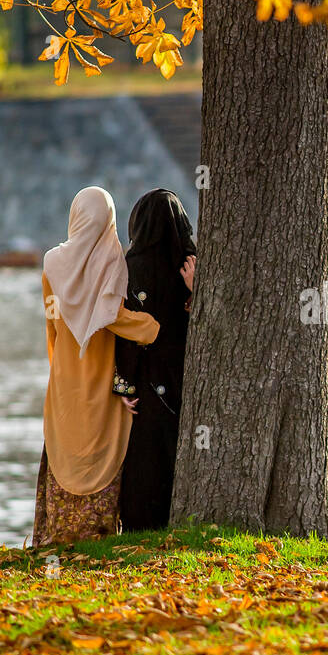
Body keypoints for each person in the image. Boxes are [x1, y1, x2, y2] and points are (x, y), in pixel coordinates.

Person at [34, 185, 160, 546]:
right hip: (103, 378)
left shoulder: (53, 263)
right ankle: (98, 533)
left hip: (65, 380)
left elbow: (52, 323)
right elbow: (113, 317)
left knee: (65, 450)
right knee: (101, 453)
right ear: (109, 219)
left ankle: (57, 534)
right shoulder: (114, 259)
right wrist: (154, 327)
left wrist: (60, 368)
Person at [114, 188, 196, 532]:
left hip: (148, 380)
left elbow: (127, 331)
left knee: (146, 455)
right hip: (186, 376)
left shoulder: (131, 267)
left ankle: (142, 524)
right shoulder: (192, 264)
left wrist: (123, 385)